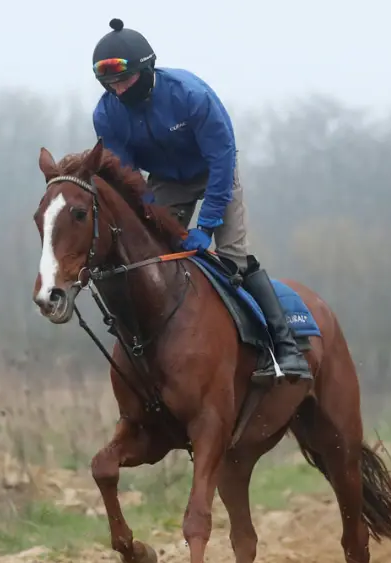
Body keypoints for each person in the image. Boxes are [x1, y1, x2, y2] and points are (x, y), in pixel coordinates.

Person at [89, 18, 311, 384]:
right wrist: (149, 218)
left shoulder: (190, 95)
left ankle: (283, 347)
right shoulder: (106, 114)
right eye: (109, 83)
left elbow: (222, 159)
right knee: (145, 253)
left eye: (124, 80)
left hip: (215, 173)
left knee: (232, 260)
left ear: (147, 70)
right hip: (166, 181)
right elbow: (128, 179)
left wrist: (206, 225)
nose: (118, 90)